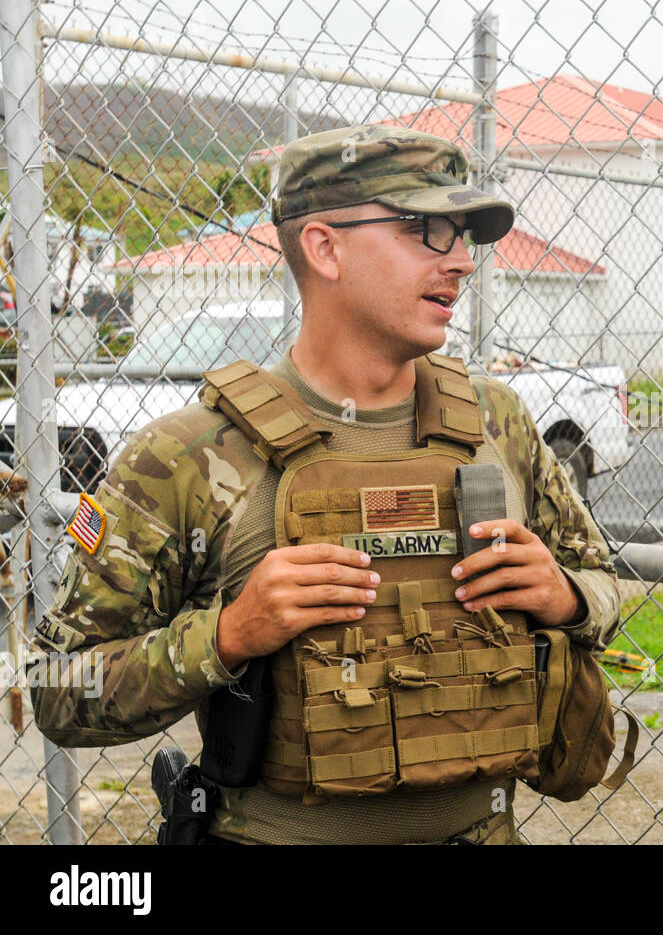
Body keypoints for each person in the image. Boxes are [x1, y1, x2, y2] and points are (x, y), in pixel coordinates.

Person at [30, 124, 622, 844]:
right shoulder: (184, 455)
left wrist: (565, 595)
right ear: (324, 245)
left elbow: (602, 581)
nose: (463, 260)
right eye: (426, 228)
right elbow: (58, 690)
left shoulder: (498, 421)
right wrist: (227, 633)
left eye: (463, 233)